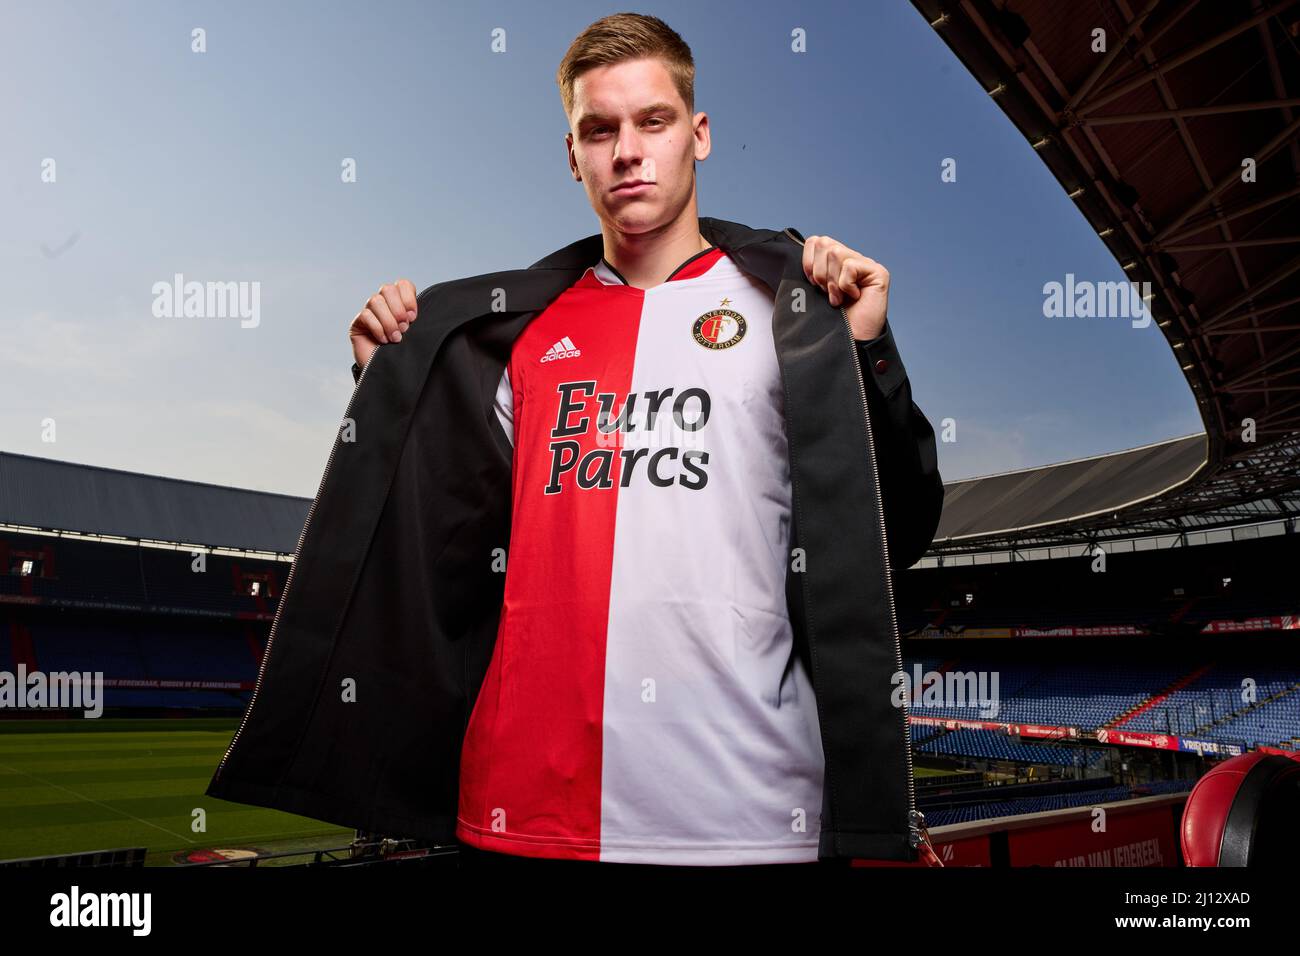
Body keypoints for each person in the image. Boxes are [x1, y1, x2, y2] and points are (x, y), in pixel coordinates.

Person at [340, 13, 942, 870]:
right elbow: (435, 551)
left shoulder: (794, 314)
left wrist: (870, 351)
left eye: (653, 121)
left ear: (697, 135)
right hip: (521, 815)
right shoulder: (511, 336)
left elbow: (901, 530)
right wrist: (388, 391)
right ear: (574, 154)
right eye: (599, 129)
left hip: (752, 817)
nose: (627, 150)